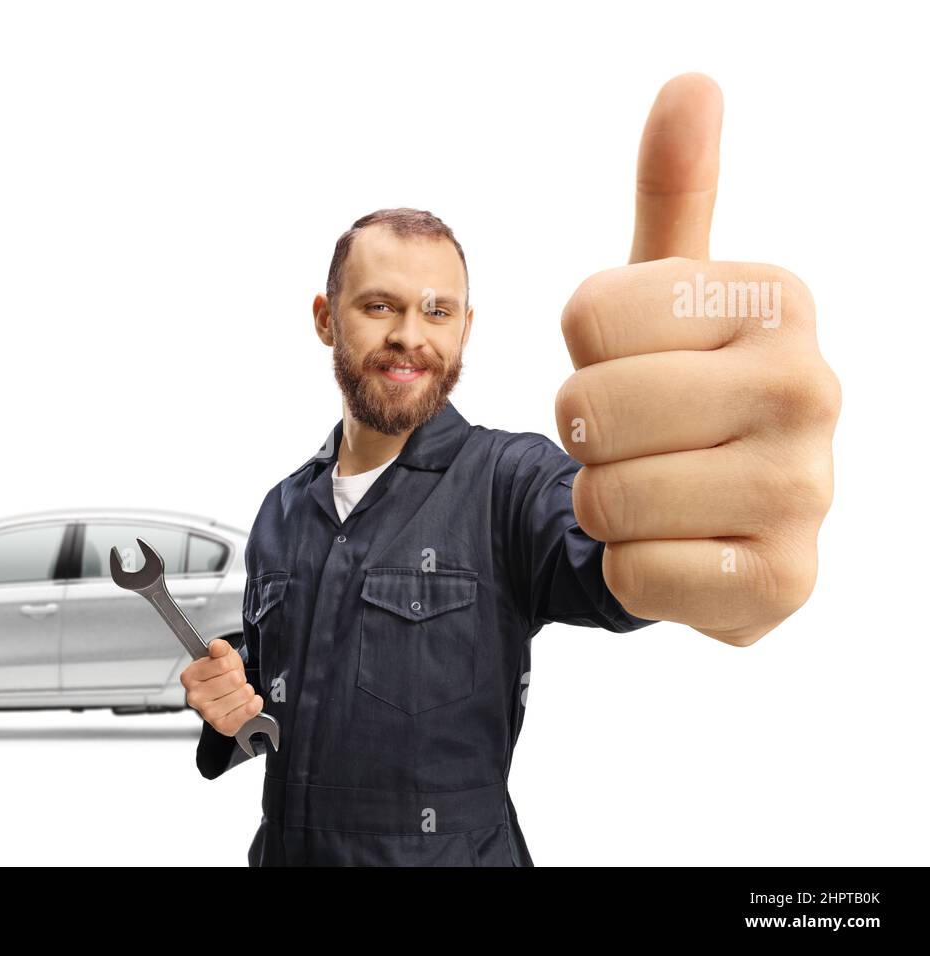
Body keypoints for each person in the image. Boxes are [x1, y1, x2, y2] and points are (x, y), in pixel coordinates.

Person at [181, 74, 840, 866]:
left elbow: (612, 556)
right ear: (327, 319)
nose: (410, 336)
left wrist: (696, 515)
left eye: (438, 311)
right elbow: (276, 694)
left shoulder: (510, 483)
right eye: (379, 306)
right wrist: (230, 706)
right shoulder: (280, 510)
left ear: (466, 329)